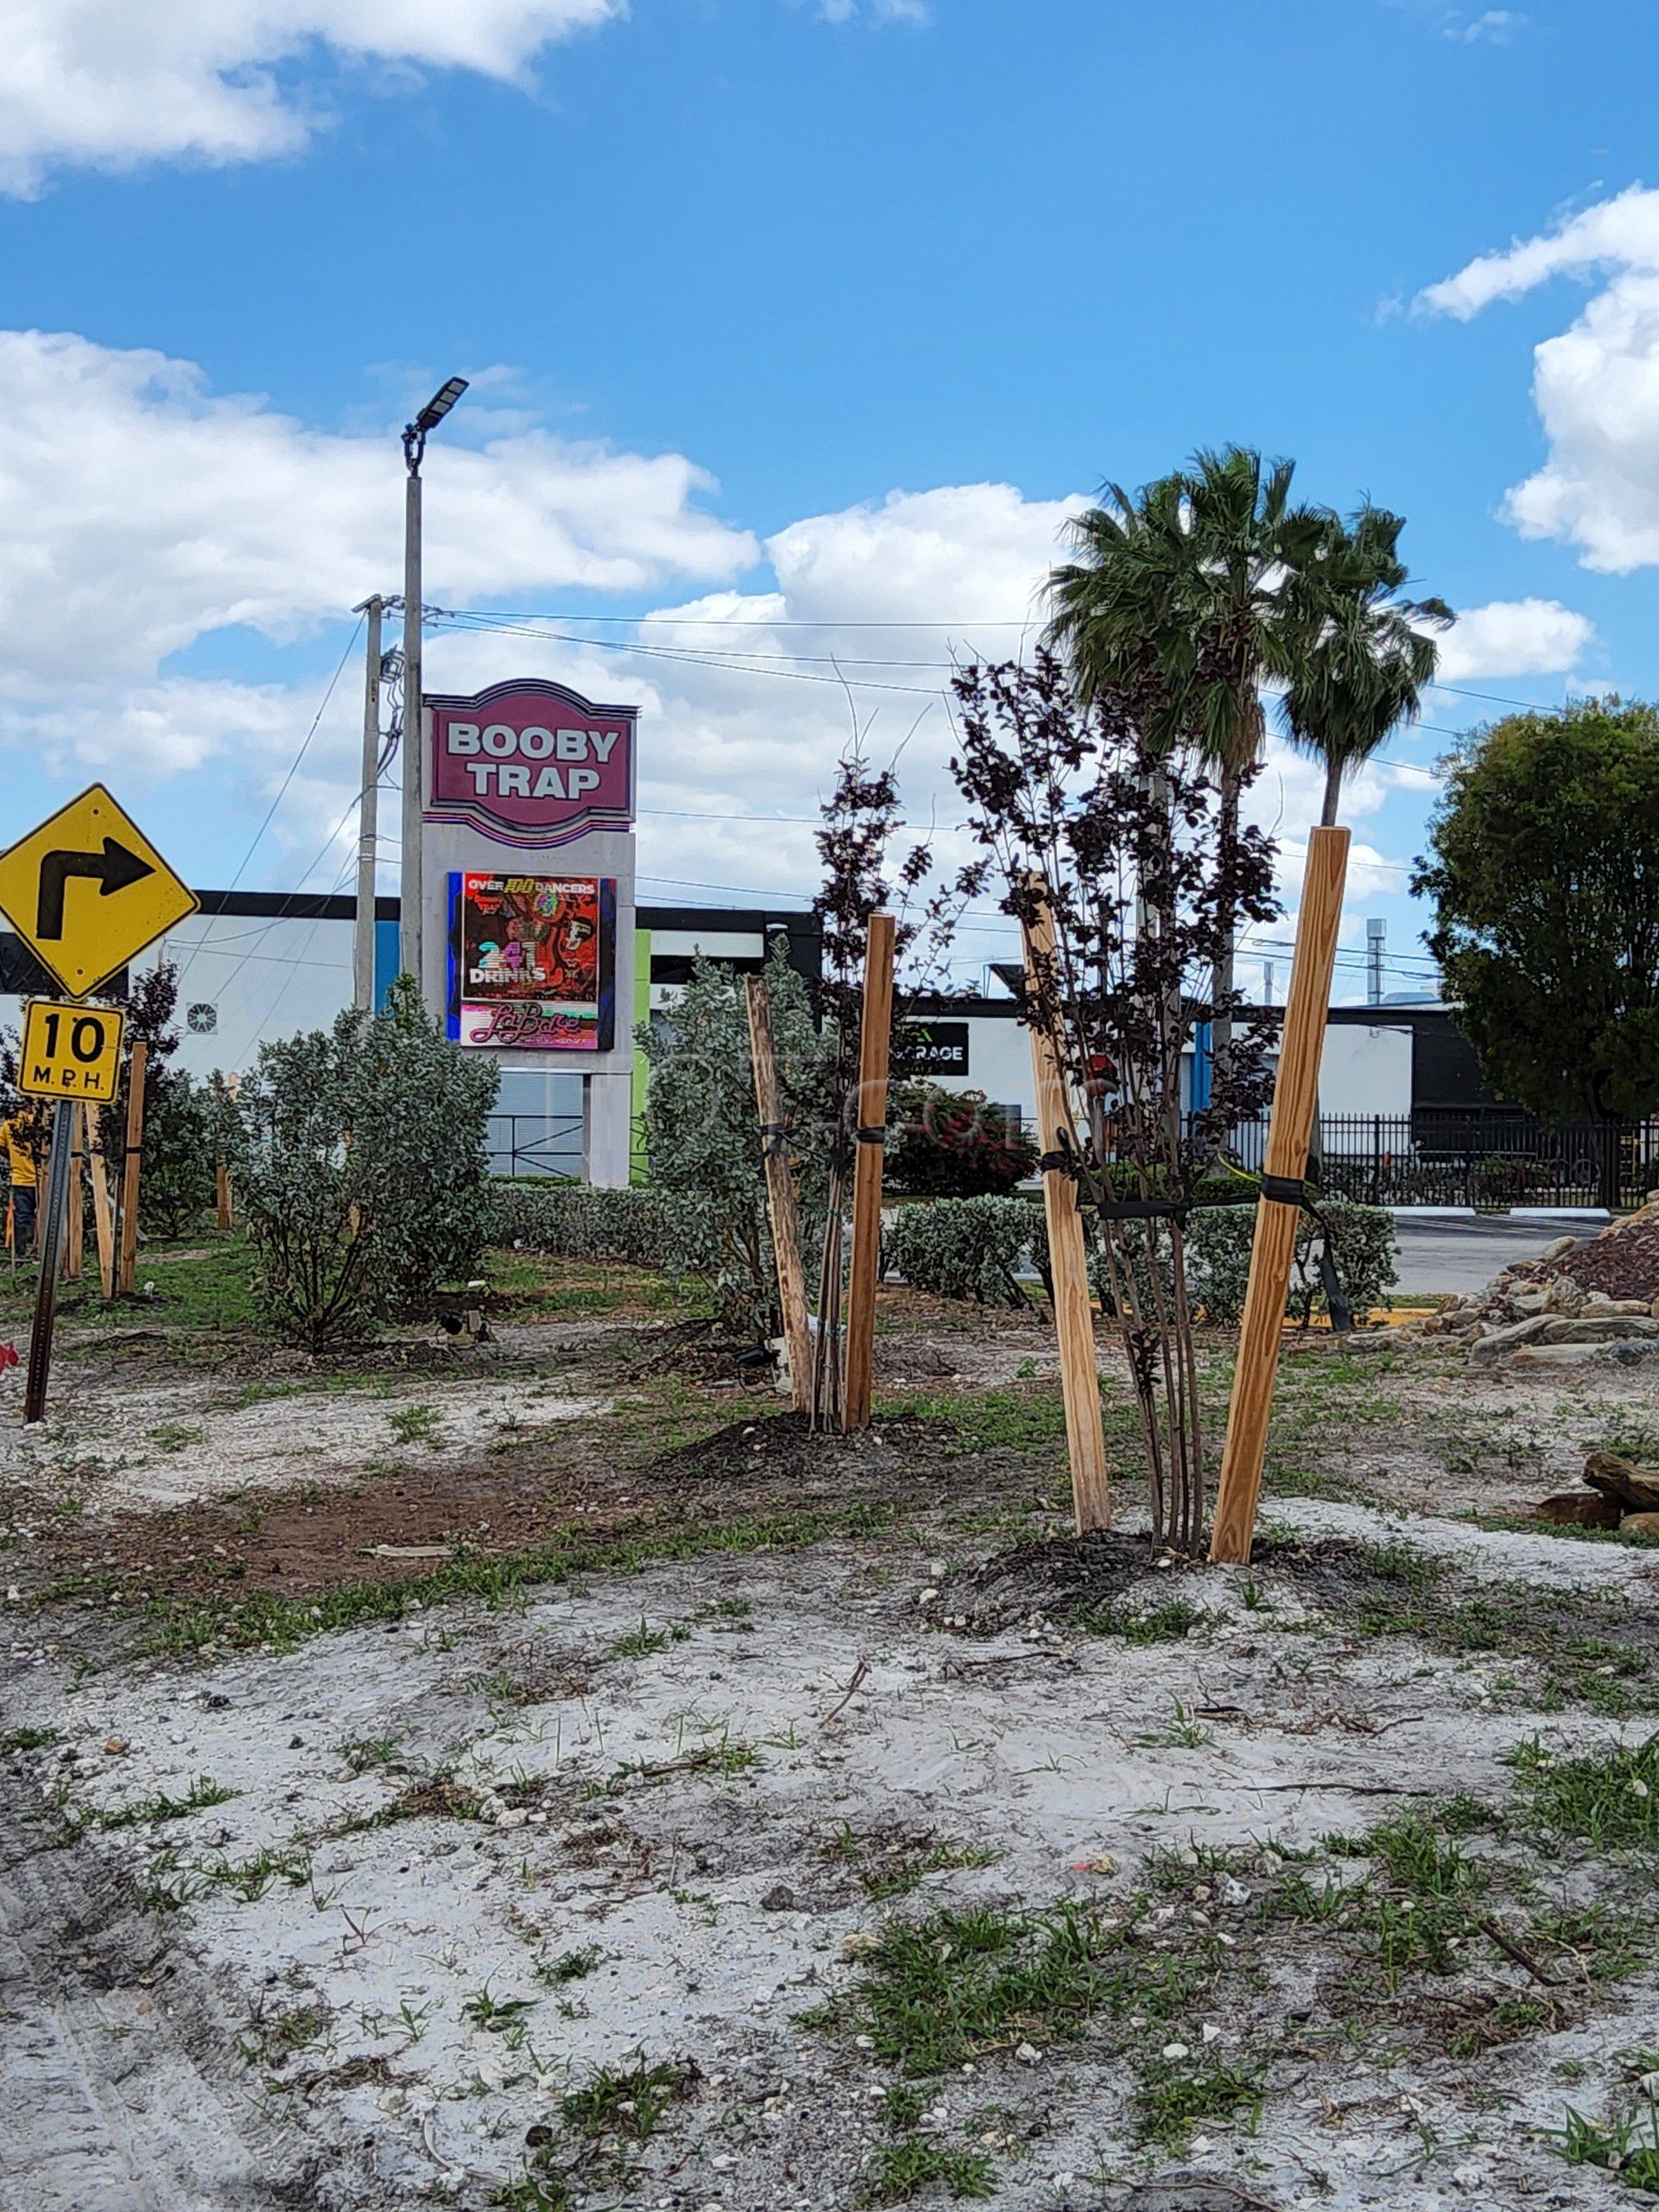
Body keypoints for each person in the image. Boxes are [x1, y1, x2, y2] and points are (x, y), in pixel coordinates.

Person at [0, 1107, 41, 1254]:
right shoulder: (40, 1122)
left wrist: (13, 1158)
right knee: (45, 1216)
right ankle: (39, 1249)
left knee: (22, 1217)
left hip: (20, 1179)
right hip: (42, 1180)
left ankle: (21, 1252)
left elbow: (1, 1145)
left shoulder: (10, 1124)